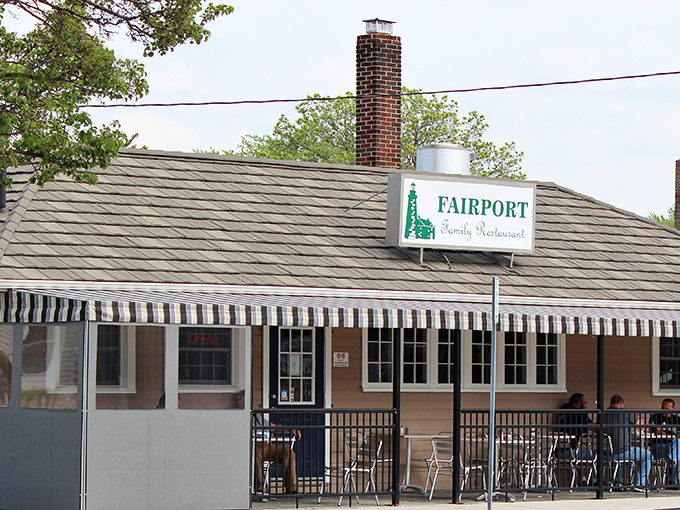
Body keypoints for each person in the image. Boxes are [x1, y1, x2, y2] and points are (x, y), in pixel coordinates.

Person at [238, 391, 301, 494]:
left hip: (266, 445)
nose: (251, 402)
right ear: (241, 402)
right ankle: (260, 488)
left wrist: (290, 429)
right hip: (252, 445)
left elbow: (273, 426)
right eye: (248, 400)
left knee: (288, 452)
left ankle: (292, 488)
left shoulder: (256, 416)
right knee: (256, 452)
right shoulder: (239, 416)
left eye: (252, 400)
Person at [600, 394, 653, 491]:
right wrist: (636, 417)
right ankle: (640, 484)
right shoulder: (626, 413)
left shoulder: (603, 414)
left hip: (605, 453)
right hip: (622, 452)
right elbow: (640, 424)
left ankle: (617, 481)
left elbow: (596, 429)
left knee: (615, 453)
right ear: (621, 404)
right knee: (647, 455)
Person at [649, 398, 680, 485]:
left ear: (673, 409)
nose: (665, 411)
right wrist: (673, 437)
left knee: (677, 451)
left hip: (673, 446)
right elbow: (658, 431)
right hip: (659, 445)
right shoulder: (656, 416)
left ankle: (671, 479)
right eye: (663, 408)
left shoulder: (676, 419)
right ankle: (672, 481)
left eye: (667, 409)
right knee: (677, 452)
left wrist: (675, 439)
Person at [555, 393, 593, 459]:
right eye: (585, 402)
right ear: (578, 403)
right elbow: (591, 426)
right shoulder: (580, 414)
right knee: (597, 453)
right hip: (574, 452)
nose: (586, 405)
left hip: (558, 451)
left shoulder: (563, 411)